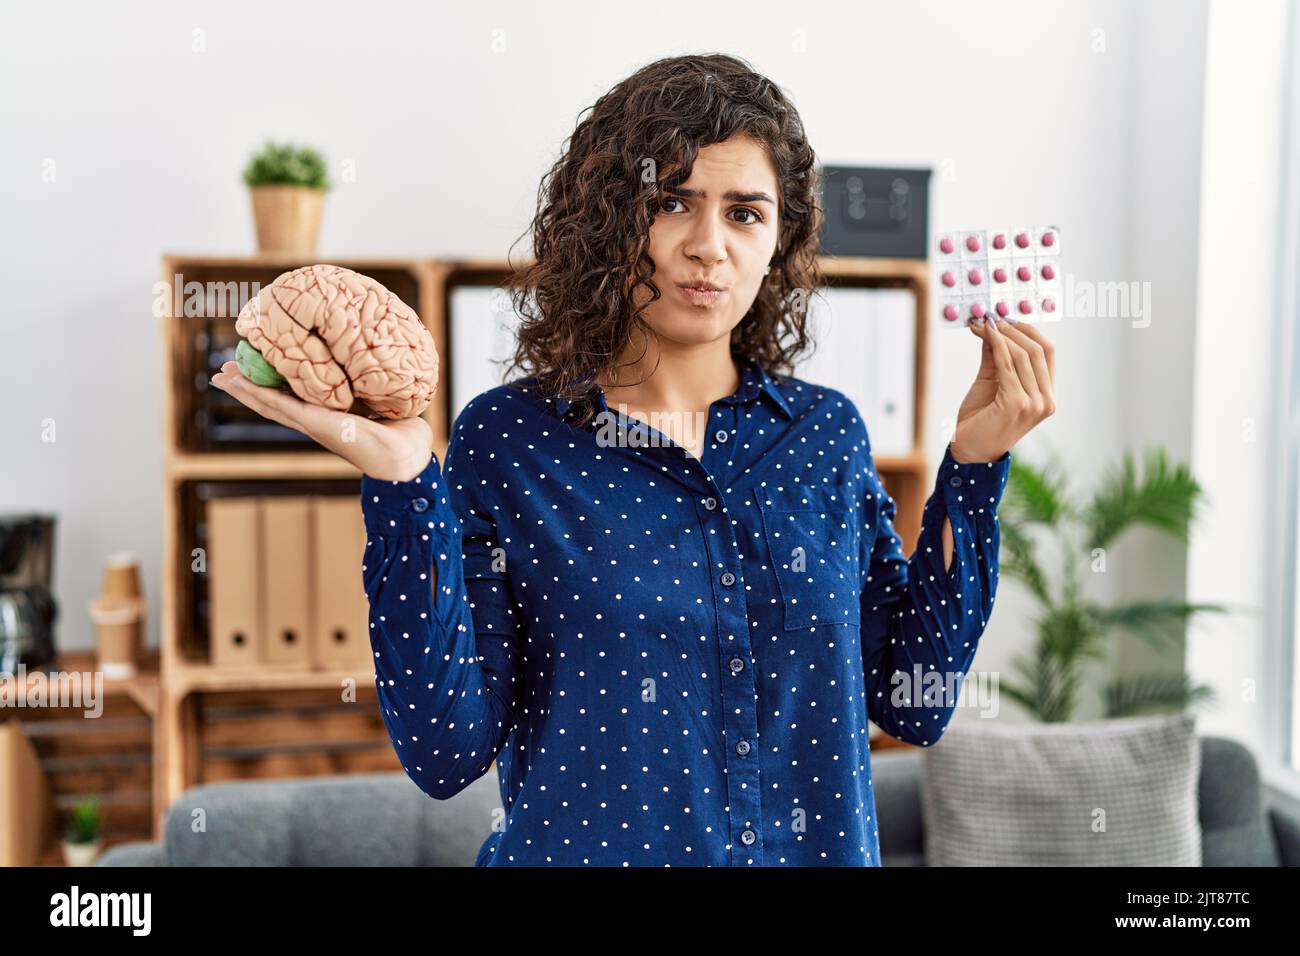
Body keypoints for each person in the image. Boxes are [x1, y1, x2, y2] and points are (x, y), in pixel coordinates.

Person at [211, 52, 1055, 866]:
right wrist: (402, 482)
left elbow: (917, 699)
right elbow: (443, 752)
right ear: (613, 217)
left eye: (745, 212)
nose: (708, 245)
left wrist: (975, 469)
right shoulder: (511, 441)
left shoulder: (825, 437)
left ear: (779, 240)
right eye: (673, 202)